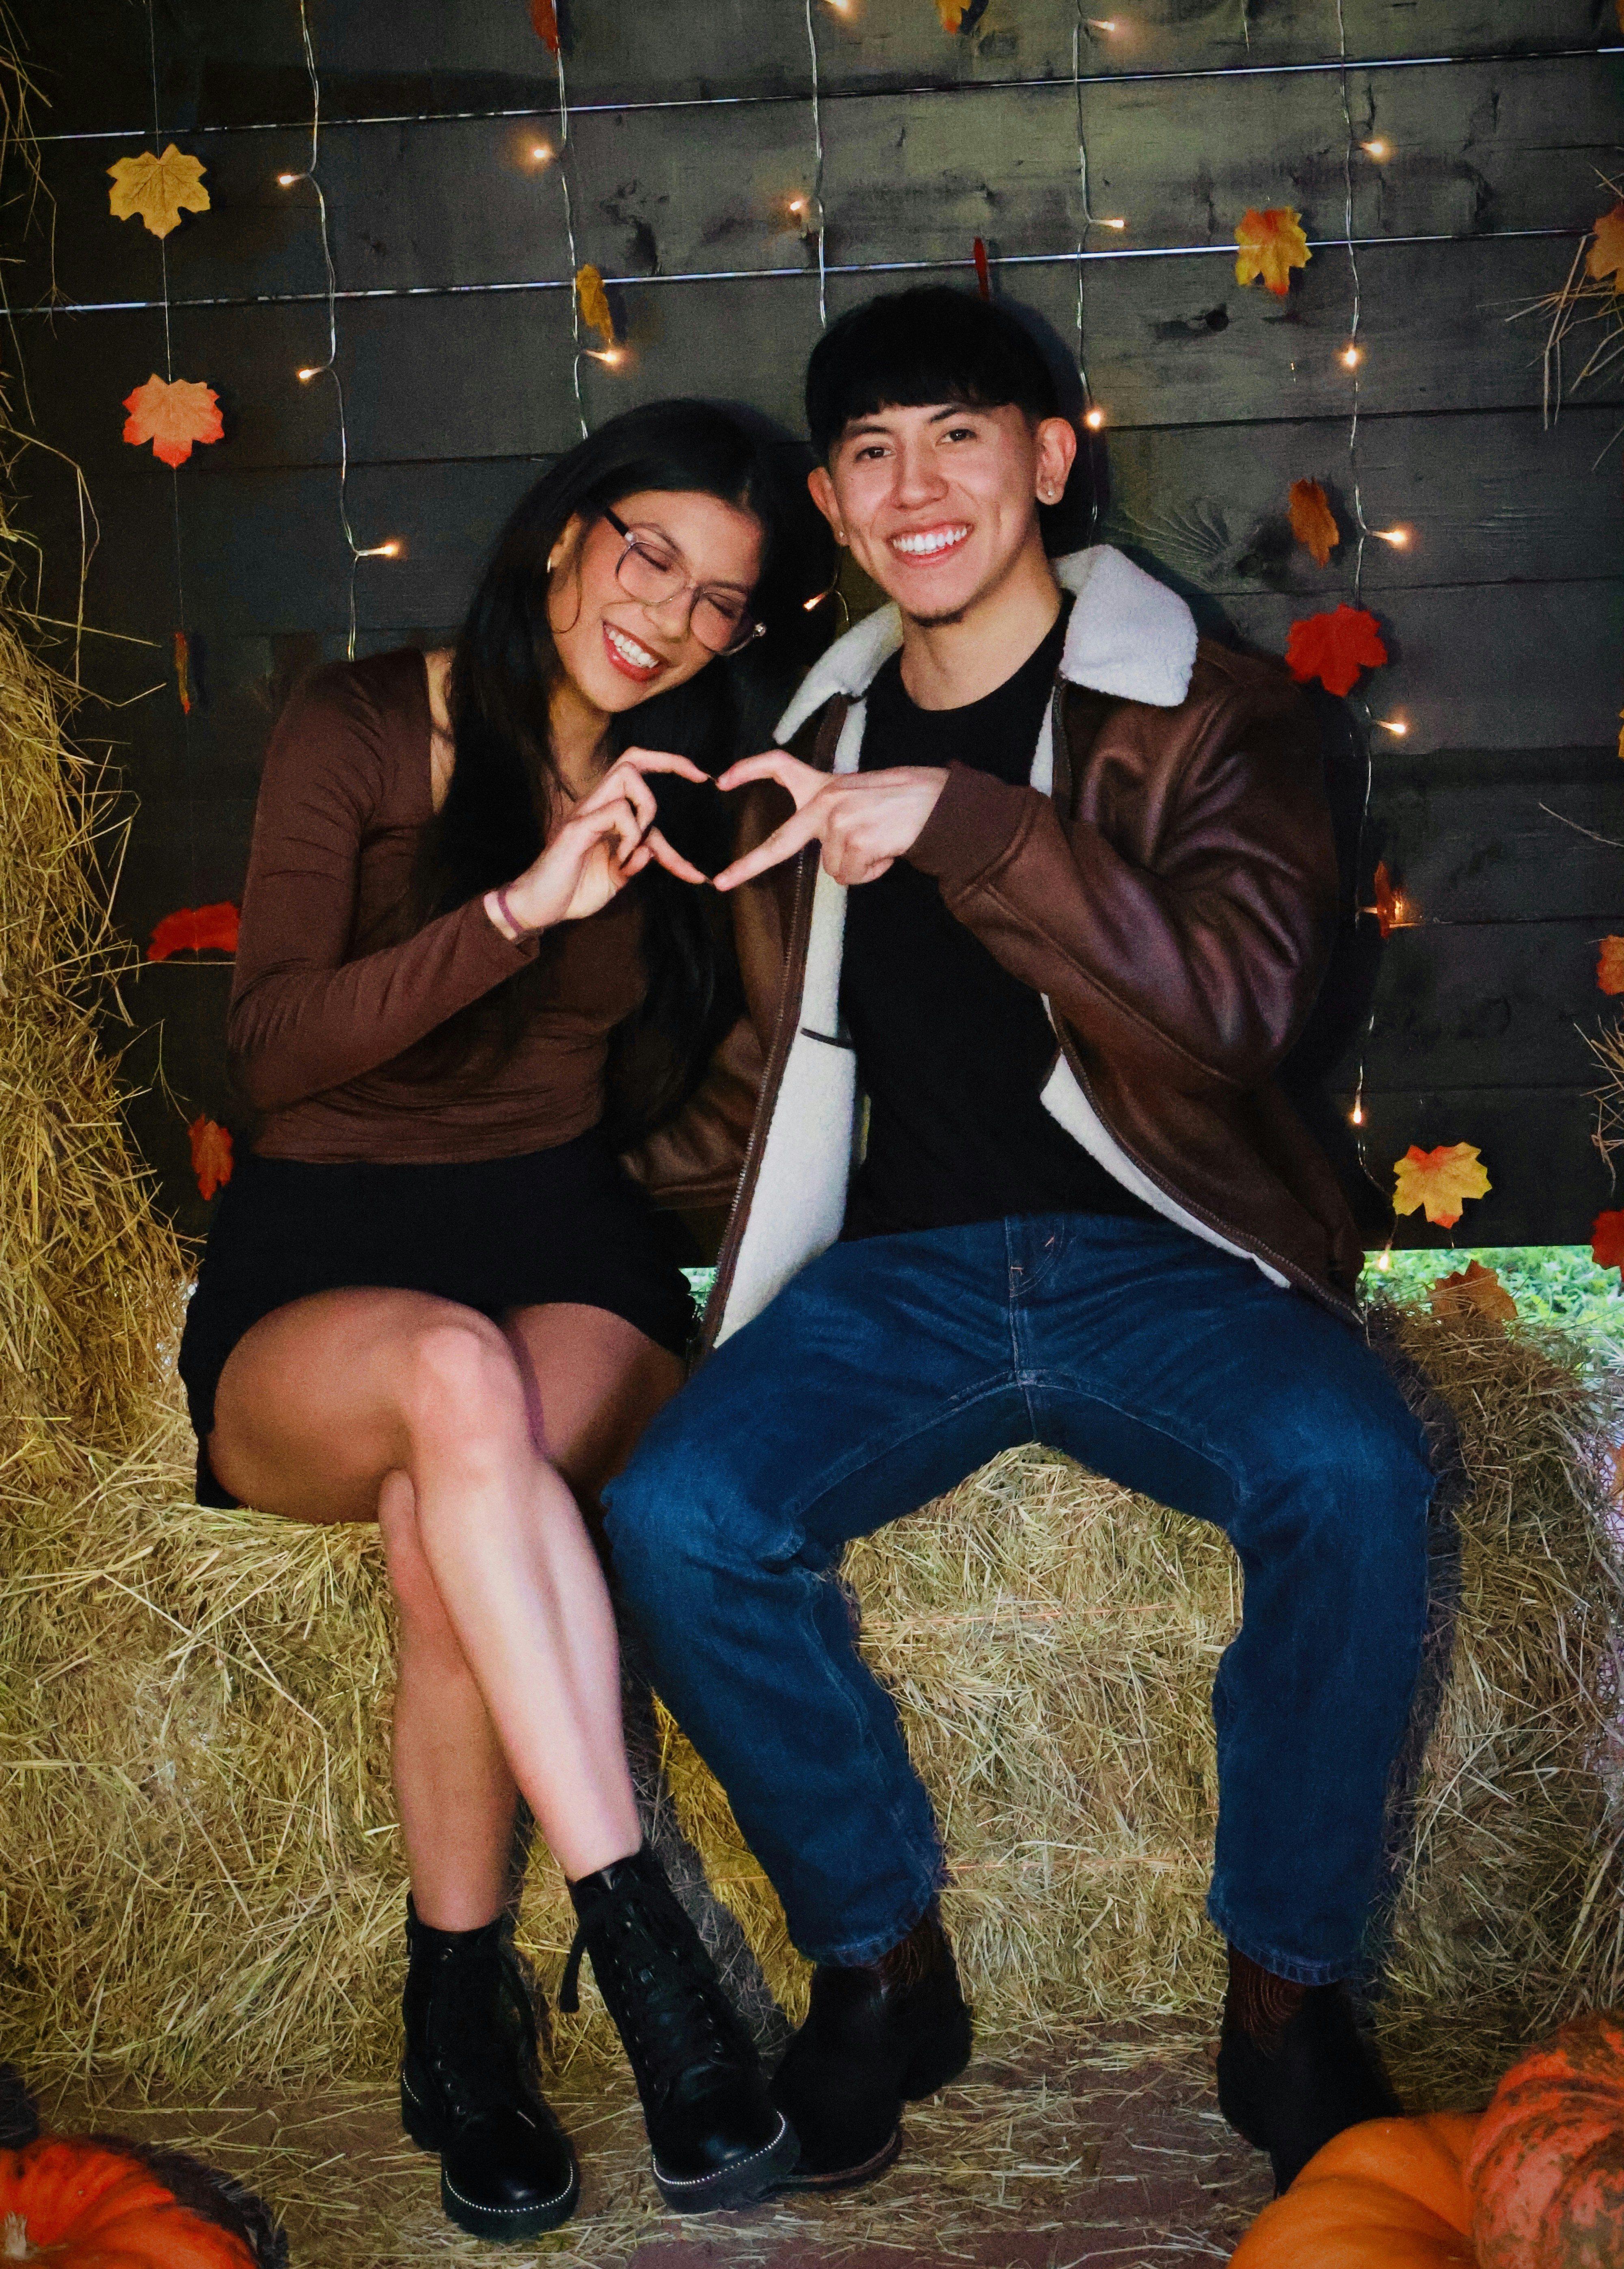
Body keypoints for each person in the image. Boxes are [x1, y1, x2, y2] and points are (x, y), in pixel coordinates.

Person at [601, 290, 1440, 2200]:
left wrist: (977, 829)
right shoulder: (799, 728)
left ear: (1050, 460)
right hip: (893, 1279)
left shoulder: (1209, 710)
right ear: (829, 496)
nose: (918, 485)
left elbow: (1235, 1008)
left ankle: (1286, 1994)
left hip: (1163, 1261)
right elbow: (761, 1070)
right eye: (873, 452)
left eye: (961, 435)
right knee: (675, 1517)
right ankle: (881, 1959)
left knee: (1355, 1465)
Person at [178, 401, 835, 2238]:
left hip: (565, 1240)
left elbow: (746, 1064)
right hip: (326, 1251)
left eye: (723, 604)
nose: (670, 617)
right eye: (648, 556)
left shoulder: (691, 769)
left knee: (447, 1516)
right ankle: (649, 1960)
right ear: (565, 529)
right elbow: (271, 1047)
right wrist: (516, 910)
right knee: (450, 1394)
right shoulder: (365, 723)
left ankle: (458, 2011)